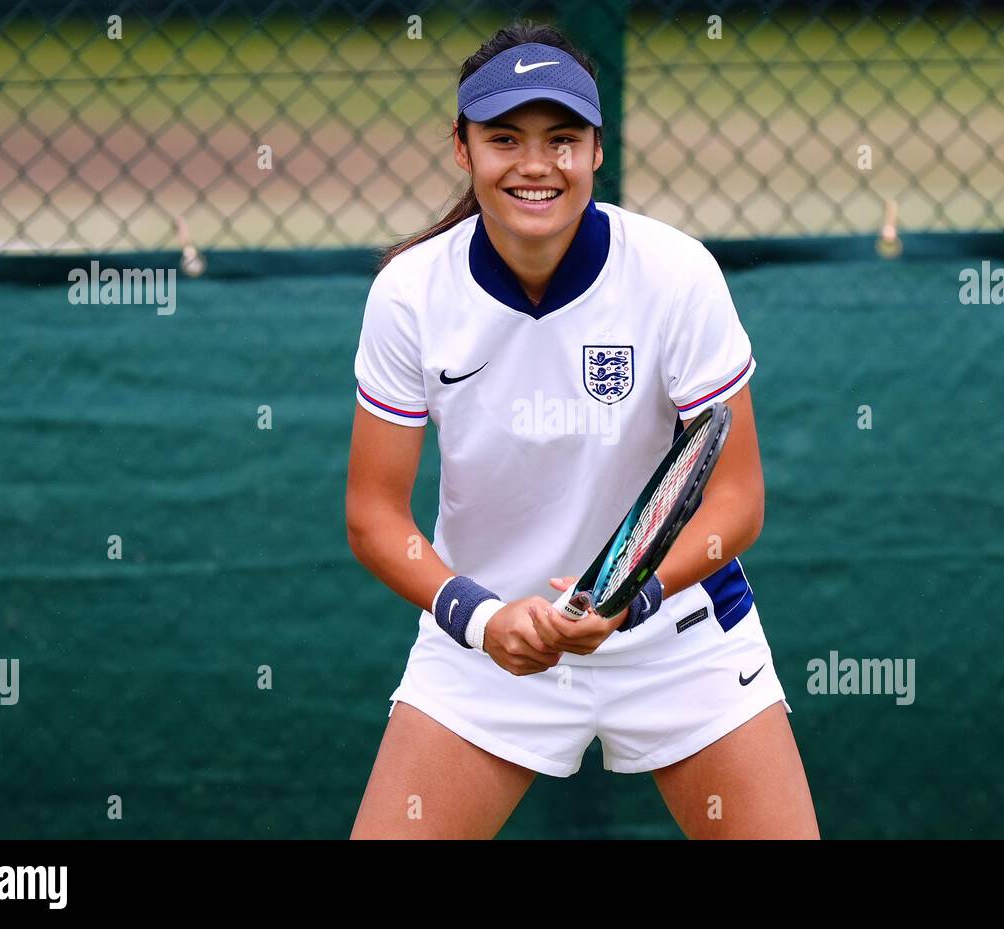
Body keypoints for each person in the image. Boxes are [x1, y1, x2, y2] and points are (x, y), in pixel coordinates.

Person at [346, 20, 819, 839]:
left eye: (562, 139)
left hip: (680, 634)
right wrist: (485, 618)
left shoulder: (676, 275)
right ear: (462, 150)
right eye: (505, 139)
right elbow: (374, 516)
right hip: (483, 647)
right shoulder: (410, 294)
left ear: (597, 150)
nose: (536, 165)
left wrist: (628, 603)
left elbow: (736, 499)